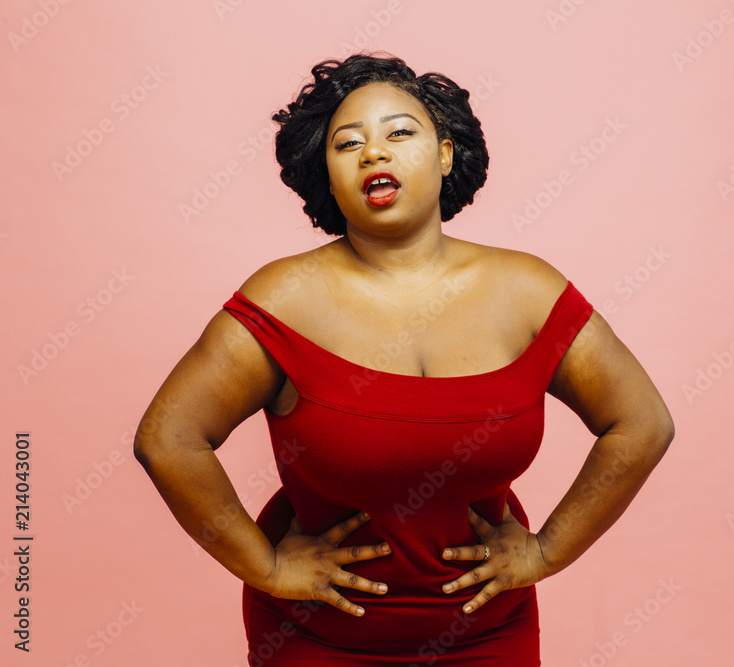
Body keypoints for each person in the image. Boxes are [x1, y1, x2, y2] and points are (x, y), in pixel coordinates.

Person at [133, 52, 675, 665]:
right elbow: (168, 438)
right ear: (329, 176)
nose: (374, 153)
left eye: (400, 132)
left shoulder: (528, 292)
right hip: (316, 641)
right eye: (348, 144)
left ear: (445, 154)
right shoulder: (283, 298)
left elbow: (642, 422)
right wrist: (266, 567)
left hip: (488, 636)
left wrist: (547, 551)